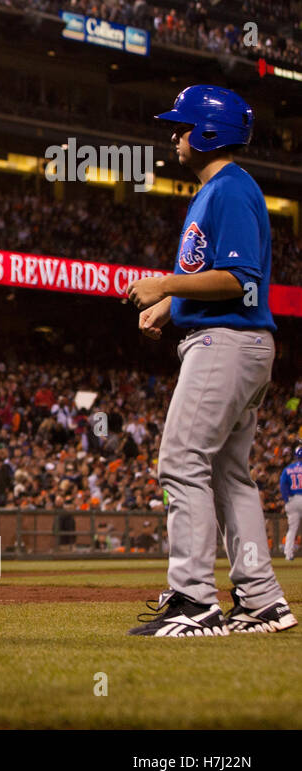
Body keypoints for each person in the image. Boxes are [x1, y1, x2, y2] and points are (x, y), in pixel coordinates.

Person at [124, 85, 296, 636]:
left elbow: (240, 280)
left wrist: (163, 284)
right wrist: (172, 306)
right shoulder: (217, 190)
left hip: (227, 341)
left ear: (207, 133)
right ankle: (263, 600)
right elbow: (220, 276)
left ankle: (194, 601)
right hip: (234, 342)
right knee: (230, 476)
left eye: (182, 126)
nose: (174, 135)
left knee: (180, 460)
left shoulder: (228, 190)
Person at [279, 446, 302, 561]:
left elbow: (283, 485)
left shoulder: (288, 469)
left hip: (293, 500)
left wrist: (287, 500)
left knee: (292, 528)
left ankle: (288, 554)